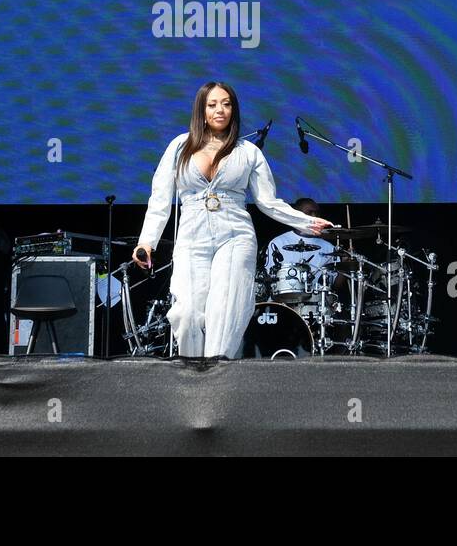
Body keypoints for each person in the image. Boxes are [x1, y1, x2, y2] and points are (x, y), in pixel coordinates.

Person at [134, 82, 332, 358]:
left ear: (234, 110)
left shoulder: (248, 152)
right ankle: (191, 374)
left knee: (226, 312)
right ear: (201, 111)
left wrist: (307, 222)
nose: (220, 110)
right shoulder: (179, 147)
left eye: (226, 104)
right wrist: (147, 242)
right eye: (213, 104)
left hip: (236, 234)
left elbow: (267, 202)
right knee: (187, 313)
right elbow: (159, 199)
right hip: (192, 235)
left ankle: (218, 375)